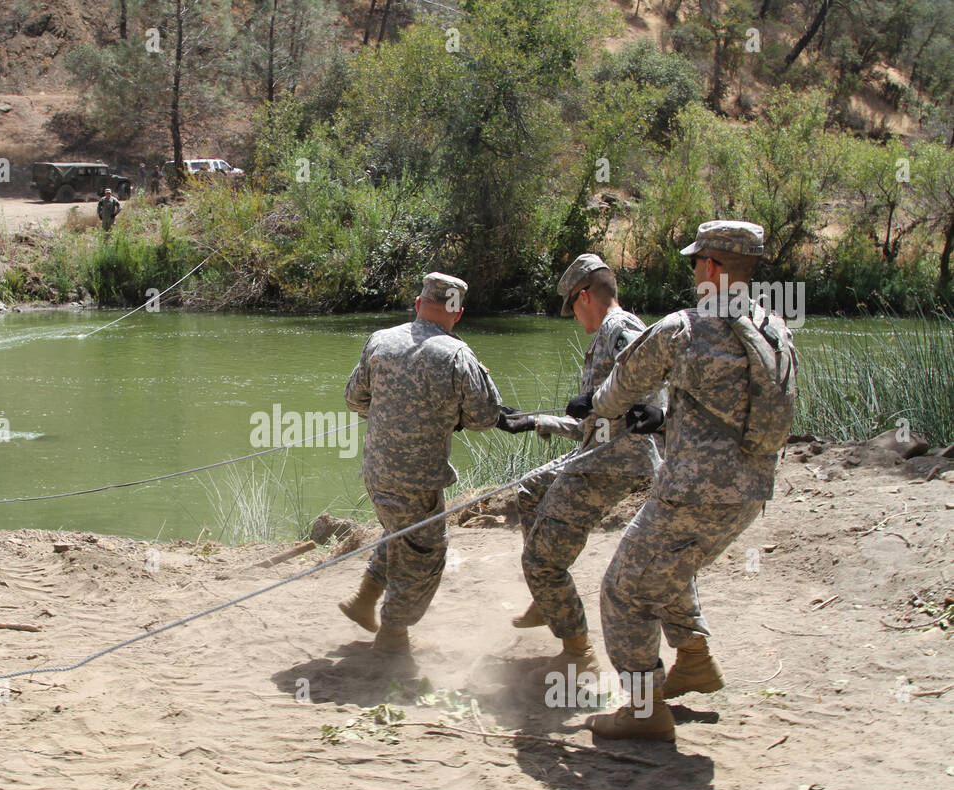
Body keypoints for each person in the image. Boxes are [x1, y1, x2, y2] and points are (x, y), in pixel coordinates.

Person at [569, 220, 798, 741]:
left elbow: (621, 388)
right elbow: (739, 408)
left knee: (623, 592)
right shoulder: (774, 328)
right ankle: (694, 662)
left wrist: (593, 405)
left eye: (697, 261)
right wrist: (669, 419)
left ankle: (644, 712)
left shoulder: (684, 328)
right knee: (667, 569)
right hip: (749, 494)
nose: (694, 270)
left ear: (713, 267)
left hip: (691, 492)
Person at [503, 254, 664, 687]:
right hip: (597, 451)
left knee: (540, 560)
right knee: (530, 489)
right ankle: (548, 597)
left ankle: (579, 654)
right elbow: (588, 422)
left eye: (572, 307)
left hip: (614, 461)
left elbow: (651, 382)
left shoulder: (620, 328)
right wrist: (534, 421)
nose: (573, 317)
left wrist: (604, 402)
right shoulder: (610, 334)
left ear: (585, 296)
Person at [340, 272, 520, 654]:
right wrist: (447, 414)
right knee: (427, 555)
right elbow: (485, 418)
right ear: (458, 314)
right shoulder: (457, 355)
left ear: (419, 305)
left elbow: (354, 399)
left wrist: (393, 410)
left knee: (401, 534)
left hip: (376, 470)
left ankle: (364, 600)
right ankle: (393, 635)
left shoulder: (380, 341)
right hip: (418, 480)